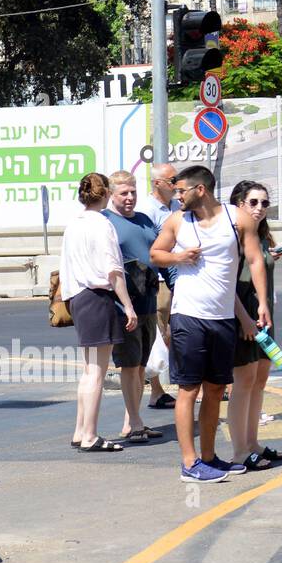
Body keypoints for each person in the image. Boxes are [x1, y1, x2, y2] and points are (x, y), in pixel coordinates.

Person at [150, 166, 271, 483]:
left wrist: (260, 302)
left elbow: (256, 259)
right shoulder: (178, 221)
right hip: (188, 316)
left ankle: (209, 457)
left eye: (181, 191)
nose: (177, 196)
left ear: (200, 190)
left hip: (222, 319)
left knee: (216, 389)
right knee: (188, 389)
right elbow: (156, 253)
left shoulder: (237, 219)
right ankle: (189, 463)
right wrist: (179, 258)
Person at [60, 173, 138, 453]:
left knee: (89, 370)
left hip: (79, 297)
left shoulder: (73, 225)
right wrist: (128, 306)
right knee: (97, 372)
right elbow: (114, 271)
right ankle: (90, 435)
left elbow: (66, 268)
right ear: (105, 194)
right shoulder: (103, 224)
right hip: (97, 297)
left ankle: (81, 430)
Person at [226, 181, 282, 470]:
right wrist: (243, 319)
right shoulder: (234, 233)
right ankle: (240, 450)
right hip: (244, 314)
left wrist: (268, 259)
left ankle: (253, 443)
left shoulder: (260, 235)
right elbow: (228, 282)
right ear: (239, 203)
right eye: (253, 202)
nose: (260, 208)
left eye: (265, 203)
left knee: (259, 380)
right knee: (243, 382)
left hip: (264, 314)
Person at [101, 171, 163, 443]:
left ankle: (131, 420)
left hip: (148, 301)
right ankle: (135, 422)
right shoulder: (105, 222)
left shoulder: (145, 221)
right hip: (123, 307)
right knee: (129, 365)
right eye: (123, 193)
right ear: (111, 195)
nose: (129, 198)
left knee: (140, 367)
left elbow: (159, 254)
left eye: (133, 192)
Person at [139, 163, 179, 408]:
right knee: (160, 333)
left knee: (178, 331)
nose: (176, 185)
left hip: (180, 275)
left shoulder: (176, 206)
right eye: (172, 180)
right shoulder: (147, 209)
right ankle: (156, 389)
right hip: (161, 278)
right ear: (157, 183)